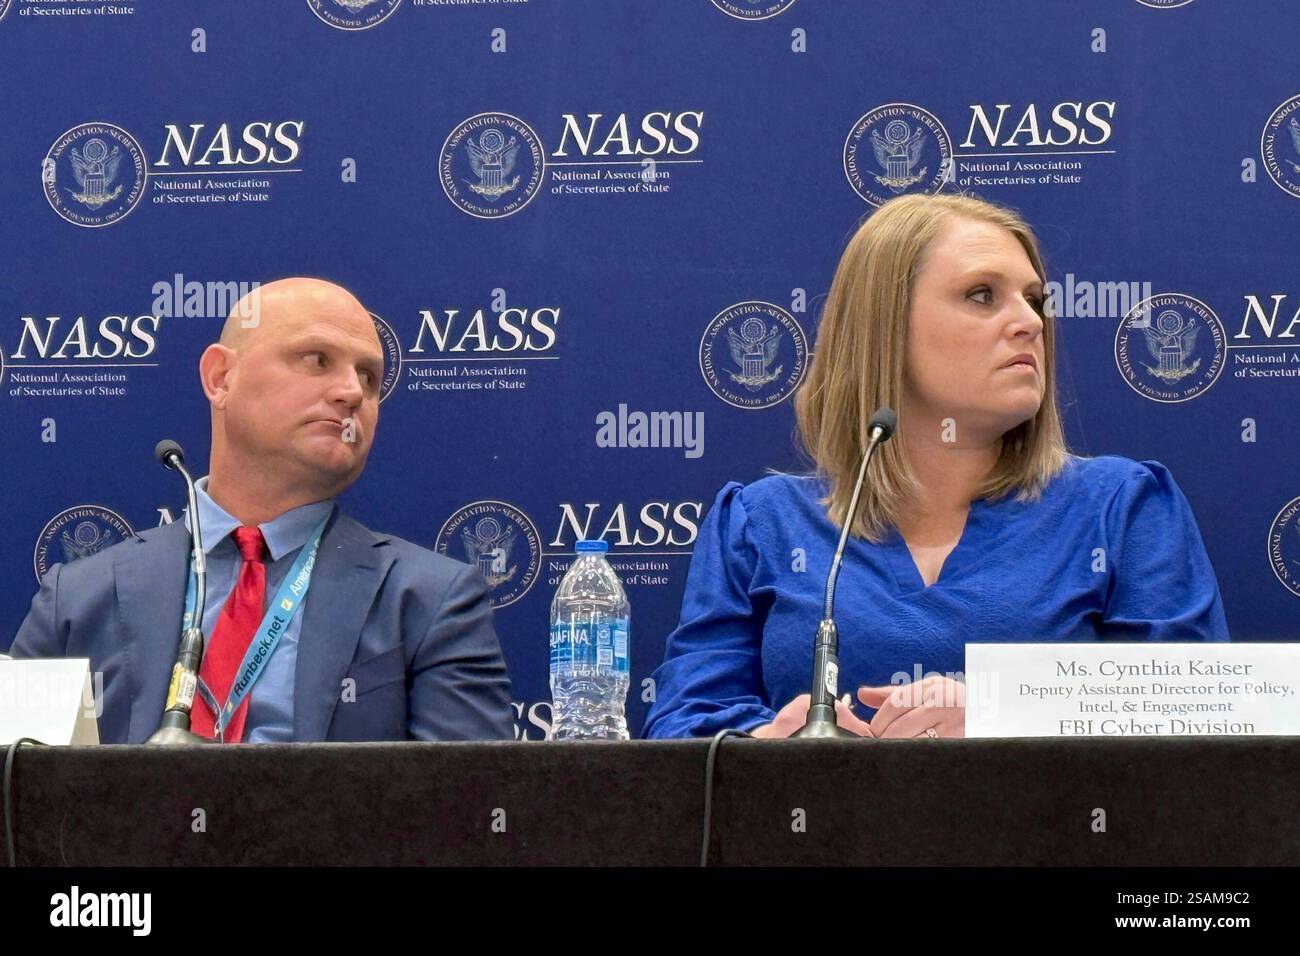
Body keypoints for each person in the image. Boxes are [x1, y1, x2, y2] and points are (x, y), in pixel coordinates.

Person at [642, 194, 1229, 741]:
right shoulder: (760, 521)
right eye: (981, 295)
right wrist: (764, 739)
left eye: (1035, 299)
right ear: (884, 327)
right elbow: (681, 726)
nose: (1030, 321)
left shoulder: (1122, 506)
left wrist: (1003, 716)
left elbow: (1203, 717)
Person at [11, 277, 515, 744]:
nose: (351, 392)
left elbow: (465, 815)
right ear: (221, 376)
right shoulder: (76, 600)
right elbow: (17, 807)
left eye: (369, 376)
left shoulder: (432, 602)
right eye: (317, 360)